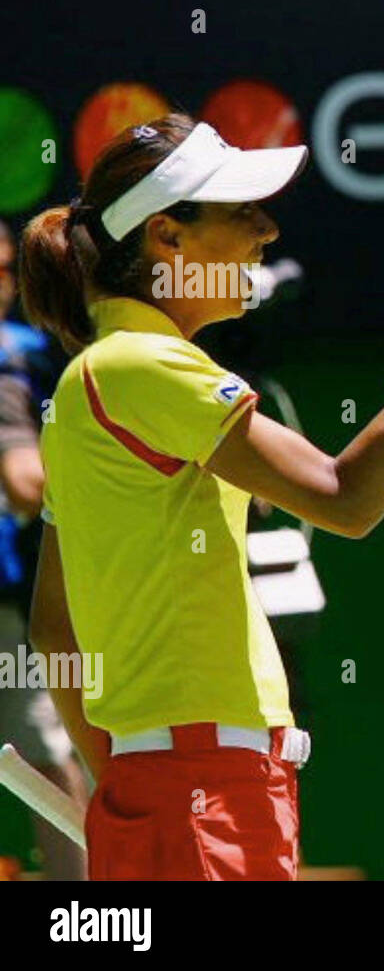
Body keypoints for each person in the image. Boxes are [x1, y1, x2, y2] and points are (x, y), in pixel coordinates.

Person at [18, 114, 384, 880]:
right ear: (168, 239)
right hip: (208, 790)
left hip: (174, 787)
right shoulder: (145, 367)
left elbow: (53, 628)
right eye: (241, 212)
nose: (267, 230)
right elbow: (345, 496)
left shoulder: (88, 381)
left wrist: (124, 776)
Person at [0, 219, 87, 880]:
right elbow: (27, 483)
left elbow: (28, 487)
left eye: (9, 271)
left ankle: (86, 913)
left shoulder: (26, 354)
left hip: (11, 597)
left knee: (43, 742)